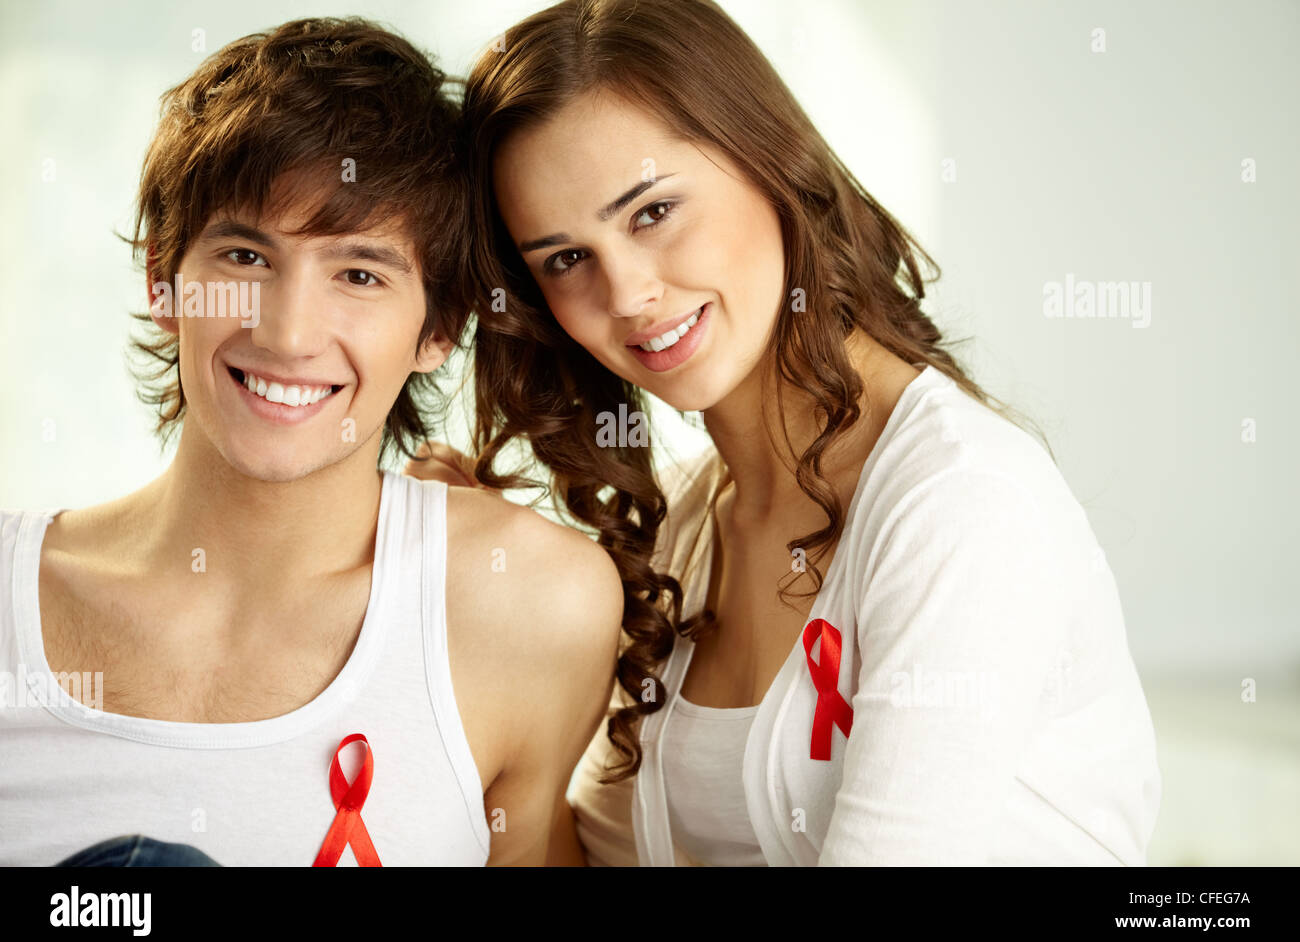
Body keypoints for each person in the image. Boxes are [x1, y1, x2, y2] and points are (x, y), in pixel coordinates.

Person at [410, 0, 1162, 865]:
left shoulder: (961, 506)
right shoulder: (687, 526)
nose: (627, 294)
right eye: (566, 259)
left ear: (768, 160)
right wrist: (476, 624)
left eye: (652, 212)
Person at [0, 16, 621, 867]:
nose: (287, 335)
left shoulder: (530, 606)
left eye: (359, 274)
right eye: (245, 258)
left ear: (440, 327)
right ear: (164, 282)